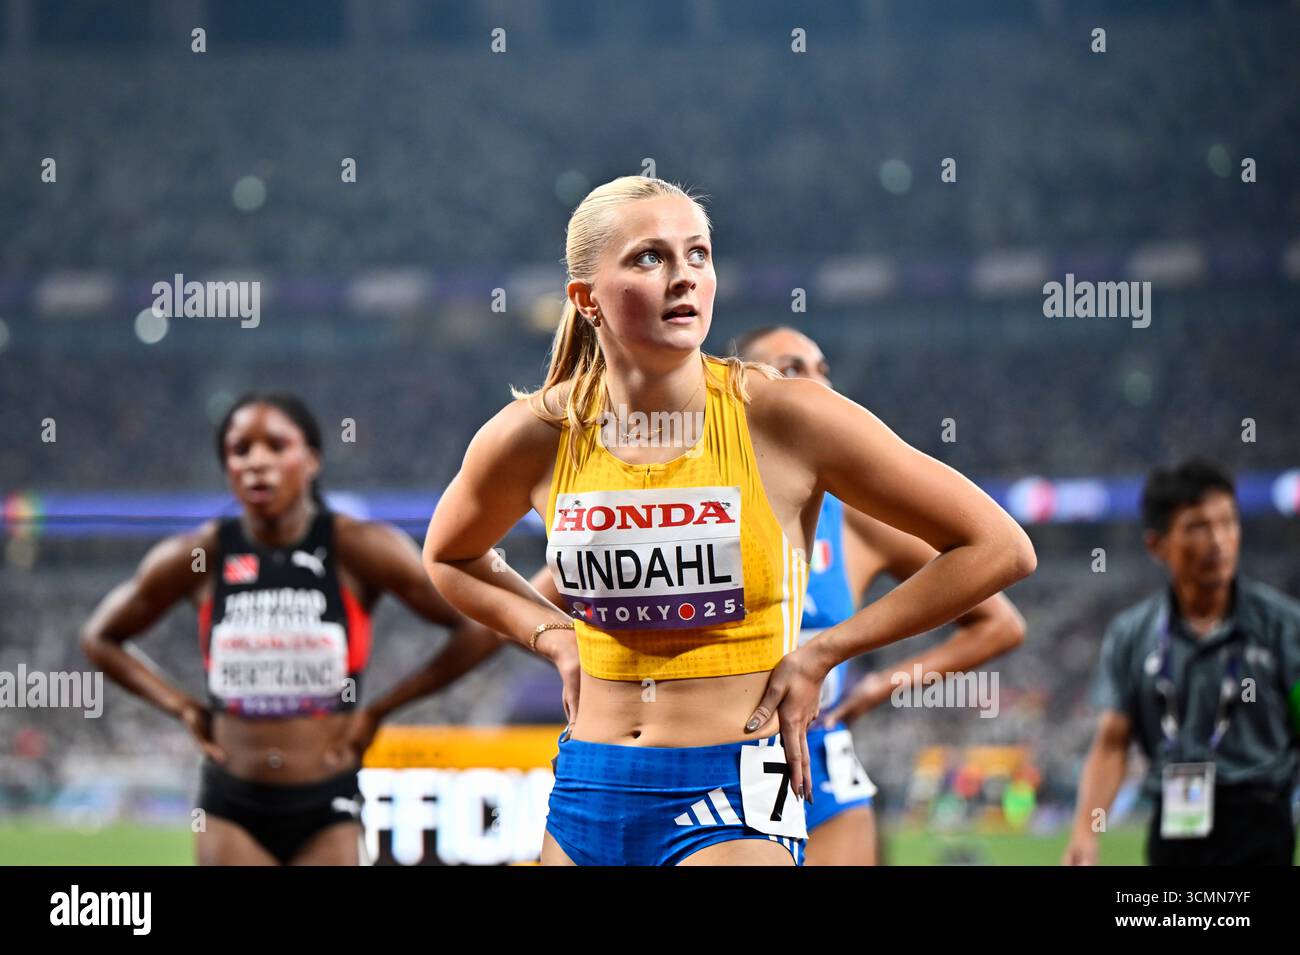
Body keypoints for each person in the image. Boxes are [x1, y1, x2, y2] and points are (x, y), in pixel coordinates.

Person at [423, 175, 1036, 867]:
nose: (684, 276)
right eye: (649, 257)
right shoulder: (534, 434)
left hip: (737, 784)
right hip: (588, 786)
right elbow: (449, 556)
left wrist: (826, 652)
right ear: (586, 298)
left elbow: (998, 546)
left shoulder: (785, 415)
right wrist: (554, 637)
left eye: (698, 254)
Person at [82, 393, 503, 865]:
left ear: (312, 460)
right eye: (240, 450)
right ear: (227, 468)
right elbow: (100, 637)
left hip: (329, 804)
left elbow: (478, 627)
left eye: (276, 445)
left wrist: (379, 711)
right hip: (231, 804)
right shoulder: (200, 556)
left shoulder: (358, 547)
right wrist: (180, 706)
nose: (257, 462)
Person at [732, 326, 1027, 865]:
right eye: (793, 370)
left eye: (823, 372)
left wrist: (878, 685)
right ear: (742, 388)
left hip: (818, 759)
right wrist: (567, 635)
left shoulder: (854, 520)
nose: (818, 386)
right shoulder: (701, 504)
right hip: (714, 754)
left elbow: (1000, 621)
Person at [1063, 458, 1300, 866]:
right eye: (1198, 527)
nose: (1219, 541)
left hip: (1261, 823)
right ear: (1156, 545)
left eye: (1228, 522)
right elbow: (1112, 742)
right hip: (1173, 826)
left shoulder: (1283, 626)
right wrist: (1086, 831)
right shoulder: (1132, 634)